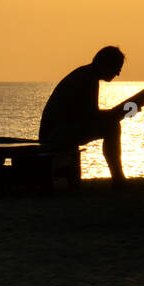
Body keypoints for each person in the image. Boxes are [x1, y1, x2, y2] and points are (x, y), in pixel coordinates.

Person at [39, 46, 130, 187]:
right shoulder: (87, 78)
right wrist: (120, 113)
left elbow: (88, 115)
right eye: (116, 68)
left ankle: (118, 177)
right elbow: (91, 115)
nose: (117, 73)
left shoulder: (86, 75)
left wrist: (119, 113)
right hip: (56, 134)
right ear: (105, 64)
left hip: (60, 130)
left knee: (112, 124)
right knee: (112, 127)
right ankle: (118, 178)